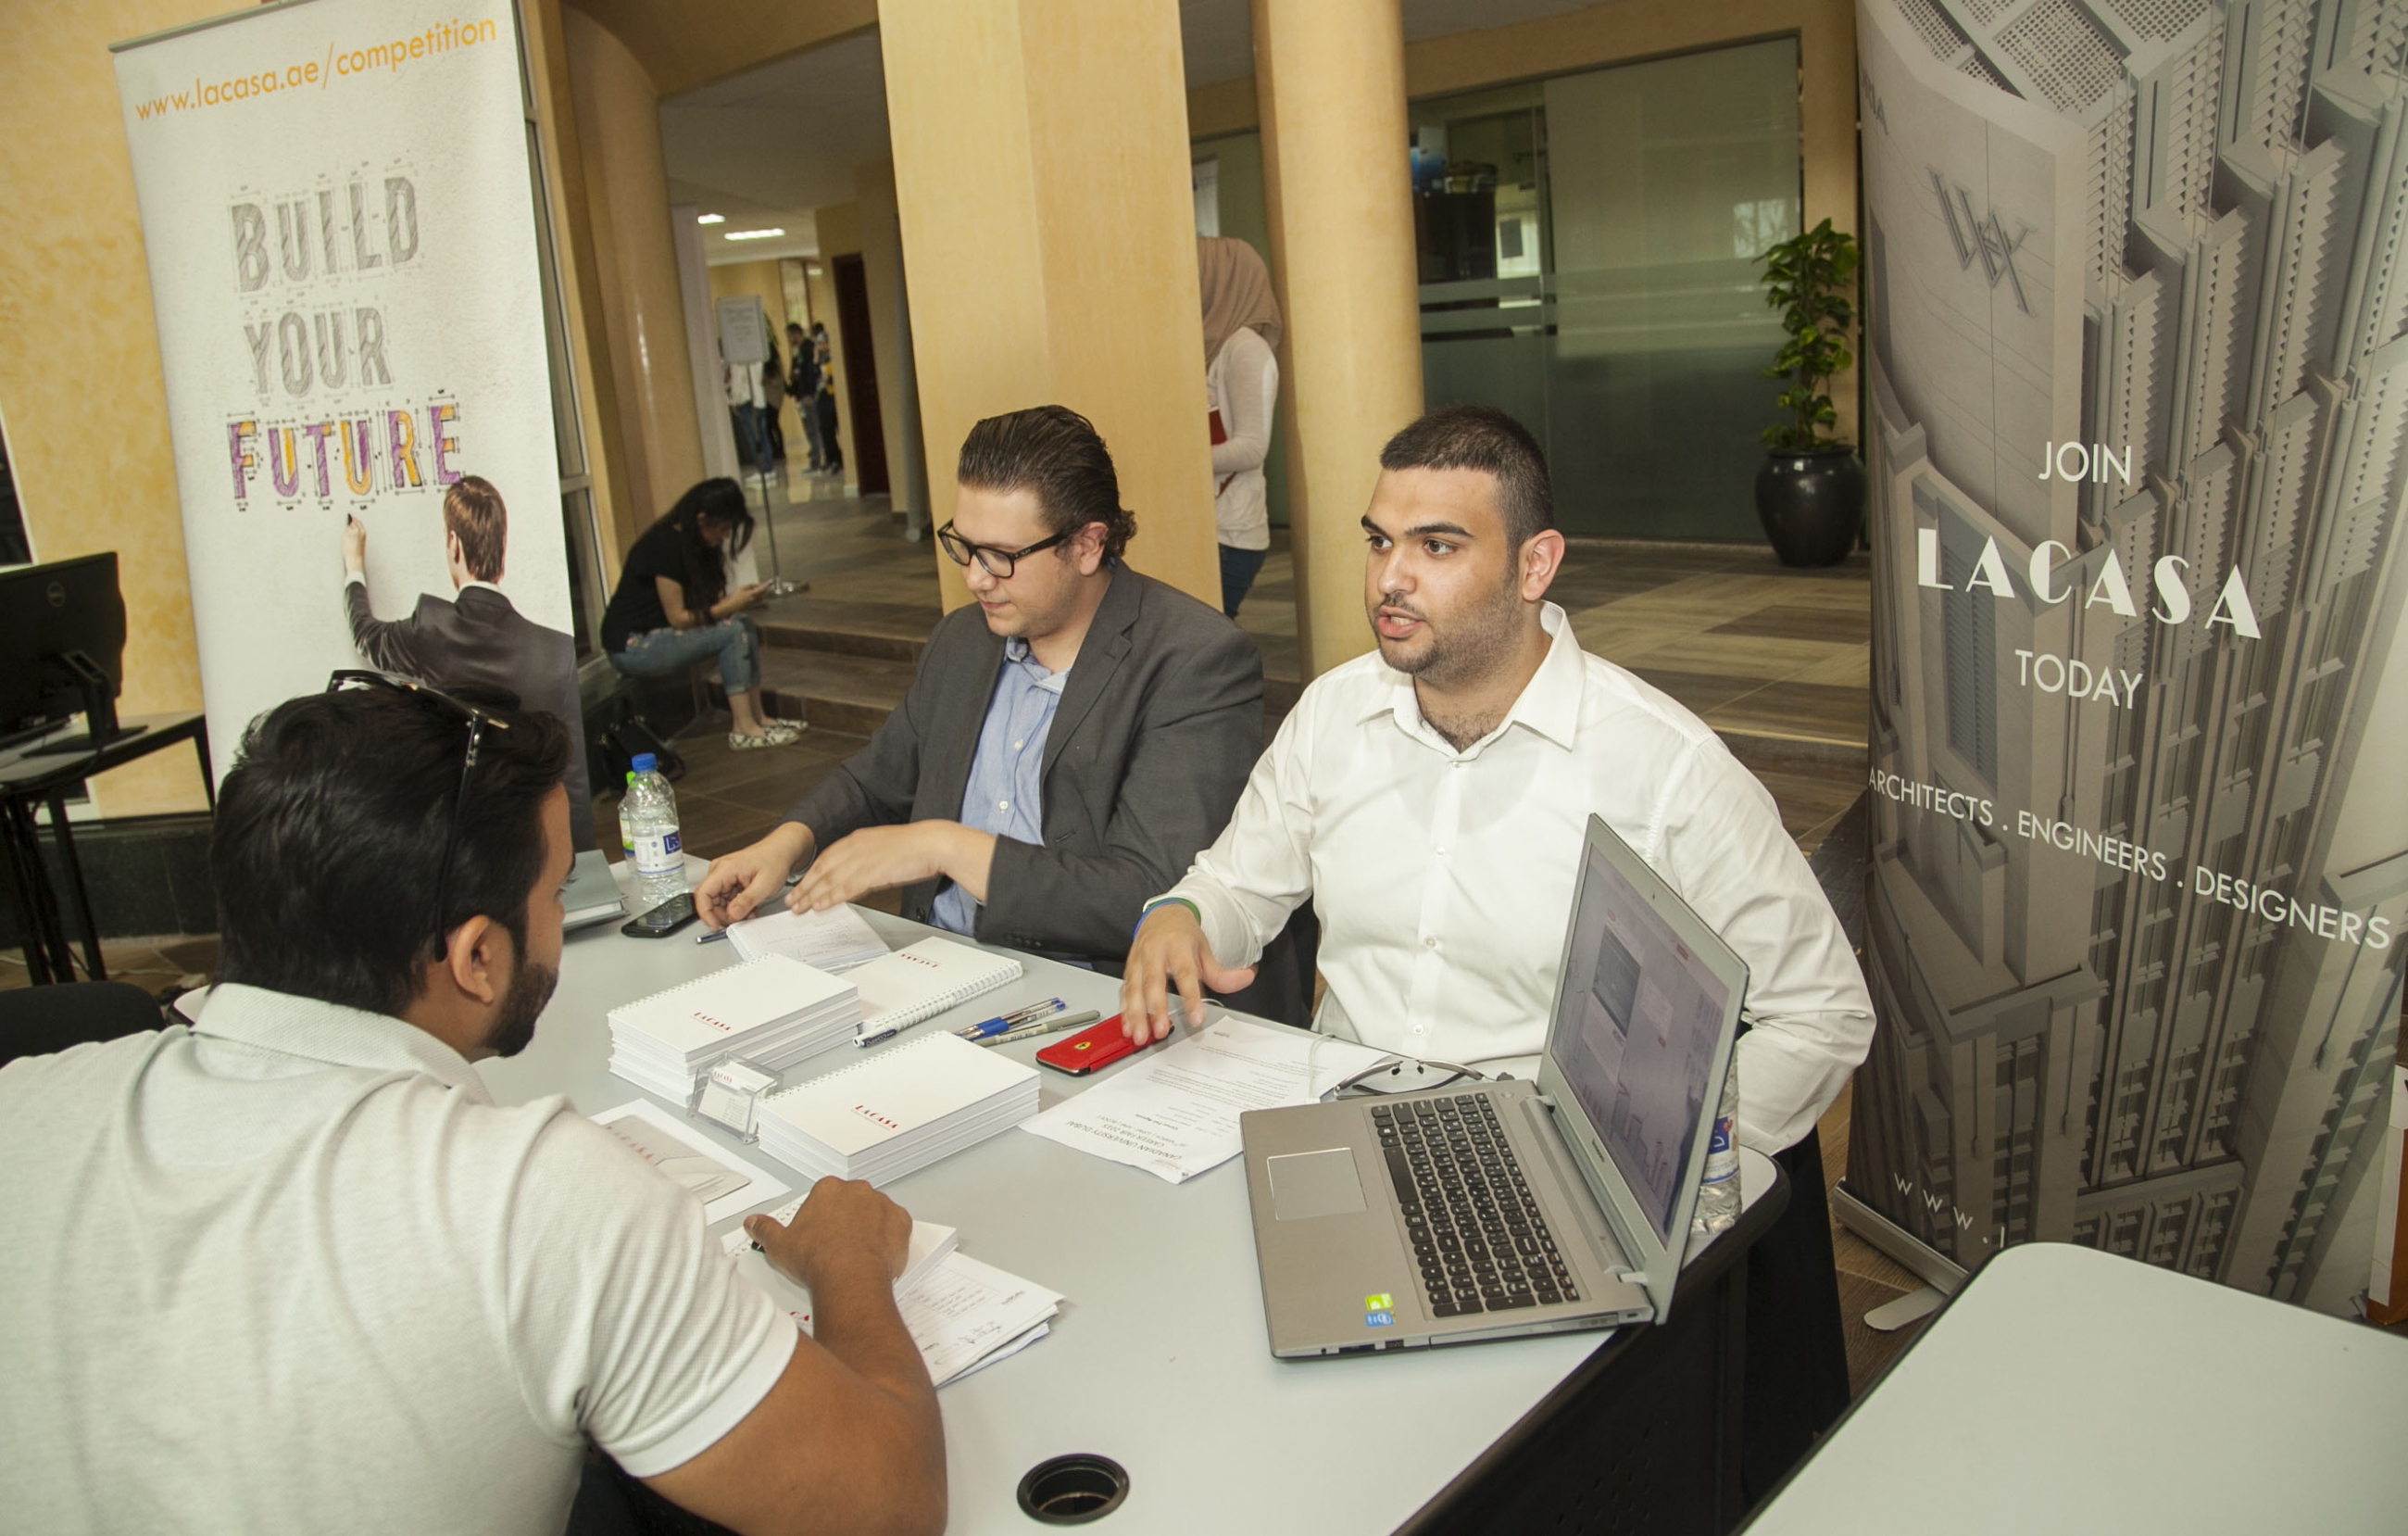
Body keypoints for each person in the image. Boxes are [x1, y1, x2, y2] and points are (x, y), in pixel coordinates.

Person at [1119, 403, 1873, 1495]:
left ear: (1534, 565)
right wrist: (1178, 915)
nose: (1389, 576)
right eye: (1378, 539)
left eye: (1436, 545)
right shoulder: (1335, 716)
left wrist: (1666, 1171)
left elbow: (1822, 1007)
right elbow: (1236, 881)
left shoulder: (1658, 769)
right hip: (1343, 1131)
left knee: (1479, 1478)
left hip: (1541, 1170)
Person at [0, 677, 945, 1536]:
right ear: (477, 957)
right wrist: (848, 1263)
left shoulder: (25, 1100)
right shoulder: (545, 1199)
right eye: (552, 888)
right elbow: (888, 1503)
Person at [695, 405, 1267, 978]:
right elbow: (879, 775)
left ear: (1089, 544)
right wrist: (784, 845)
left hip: (1083, 988)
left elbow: (1148, 893)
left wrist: (943, 846)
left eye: (1002, 555)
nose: (974, 576)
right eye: (963, 546)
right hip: (934, 962)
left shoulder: (1194, 660)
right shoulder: (964, 638)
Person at [341, 473, 595, 850]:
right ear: (502, 545)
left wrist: (354, 566)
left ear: (453, 543)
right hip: (535, 838)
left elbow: (366, 633)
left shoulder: (431, 626)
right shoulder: (556, 650)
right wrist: (581, 858)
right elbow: (573, 773)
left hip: (463, 838)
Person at [601, 478, 802, 750]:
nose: (724, 537)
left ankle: (760, 718)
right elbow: (678, 618)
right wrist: (731, 604)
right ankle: (744, 728)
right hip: (634, 645)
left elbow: (707, 607)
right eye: (722, 528)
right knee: (733, 629)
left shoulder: (695, 546)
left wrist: (736, 602)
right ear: (702, 520)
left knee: (741, 622)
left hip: (661, 635)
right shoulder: (663, 545)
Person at [1198, 236, 1282, 618]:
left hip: (1231, 535)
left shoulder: (1245, 349)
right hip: (1206, 526)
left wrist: (1176, 463)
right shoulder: (1207, 345)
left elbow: (1251, 448)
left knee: (1207, 644)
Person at [788, 321, 827, 472]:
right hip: (800, 395)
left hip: (808, 395)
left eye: (791, 336)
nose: (790, 340)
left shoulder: (807, 348)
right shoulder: (798, 351)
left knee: (814, 428)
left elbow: (809, 373)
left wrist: (809, 393)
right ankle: (815, 458)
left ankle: (819, 459)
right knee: (809, 428)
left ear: (797, 333)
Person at [811, 323, 843, 476]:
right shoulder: (817, 362)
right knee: (826, 431)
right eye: (819, 344)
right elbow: (814, 378)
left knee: (835, 428)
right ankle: (831, 458)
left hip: (833, 397)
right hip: (822, 400)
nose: (822, 346)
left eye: (824, 343)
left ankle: (839, 459)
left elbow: (829, 378)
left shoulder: (834, 358)